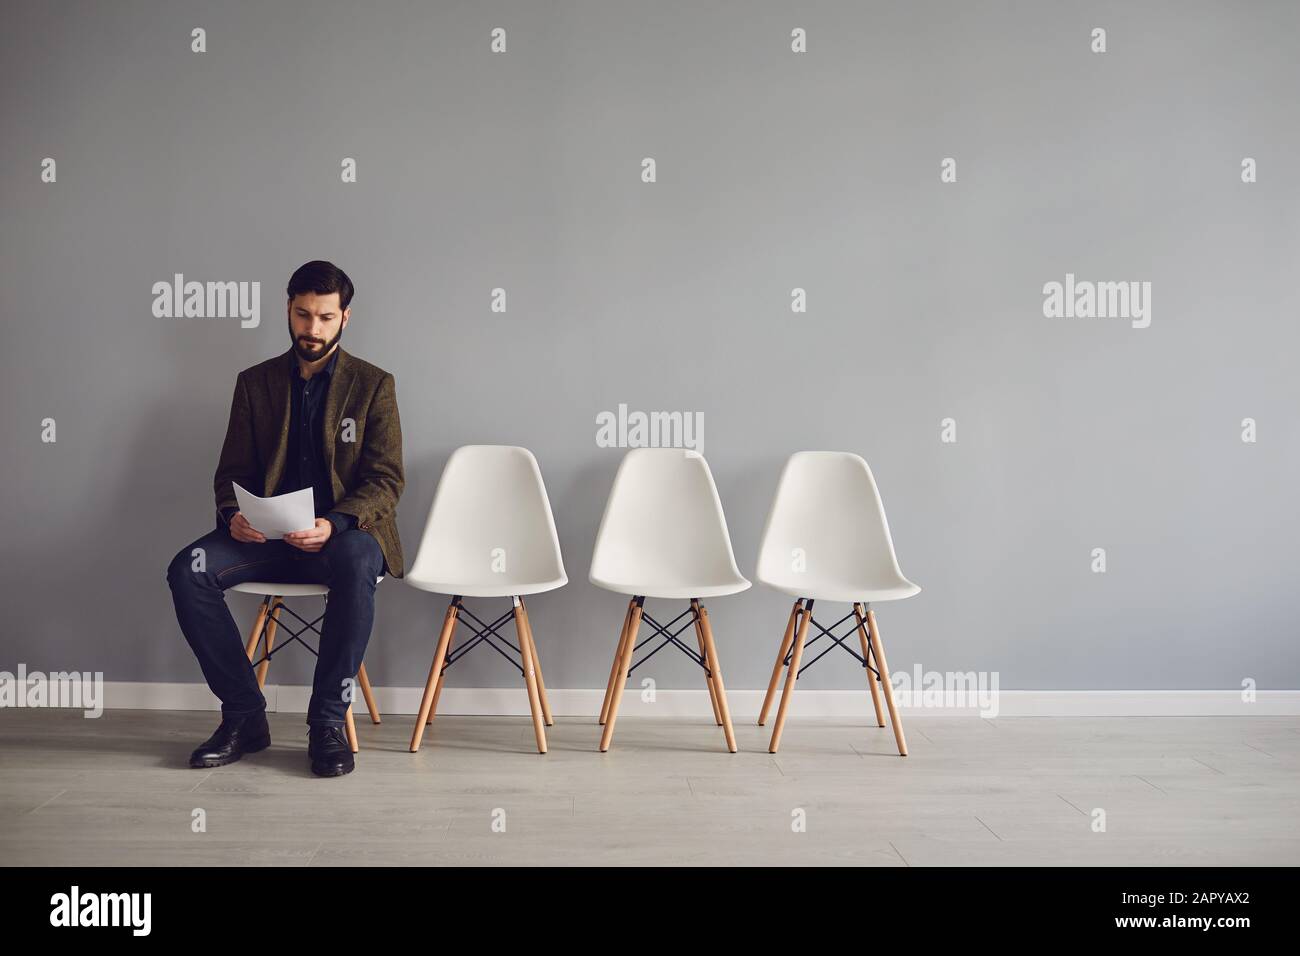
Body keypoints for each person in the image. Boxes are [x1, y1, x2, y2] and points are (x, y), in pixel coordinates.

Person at [166, 260, 404, 777]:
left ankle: (327, 724)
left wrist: (335, 524)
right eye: (302, 315)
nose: (312, 329)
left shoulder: (373, 385)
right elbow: (230, 471)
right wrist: (233, 516)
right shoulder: (255, 384)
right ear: (287, 309)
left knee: (361, 561)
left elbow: (386, 480)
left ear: (345, 317)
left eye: (324, 317)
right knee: (188, 569)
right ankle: (245, 717)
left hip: (342, 538)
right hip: (265, 536)